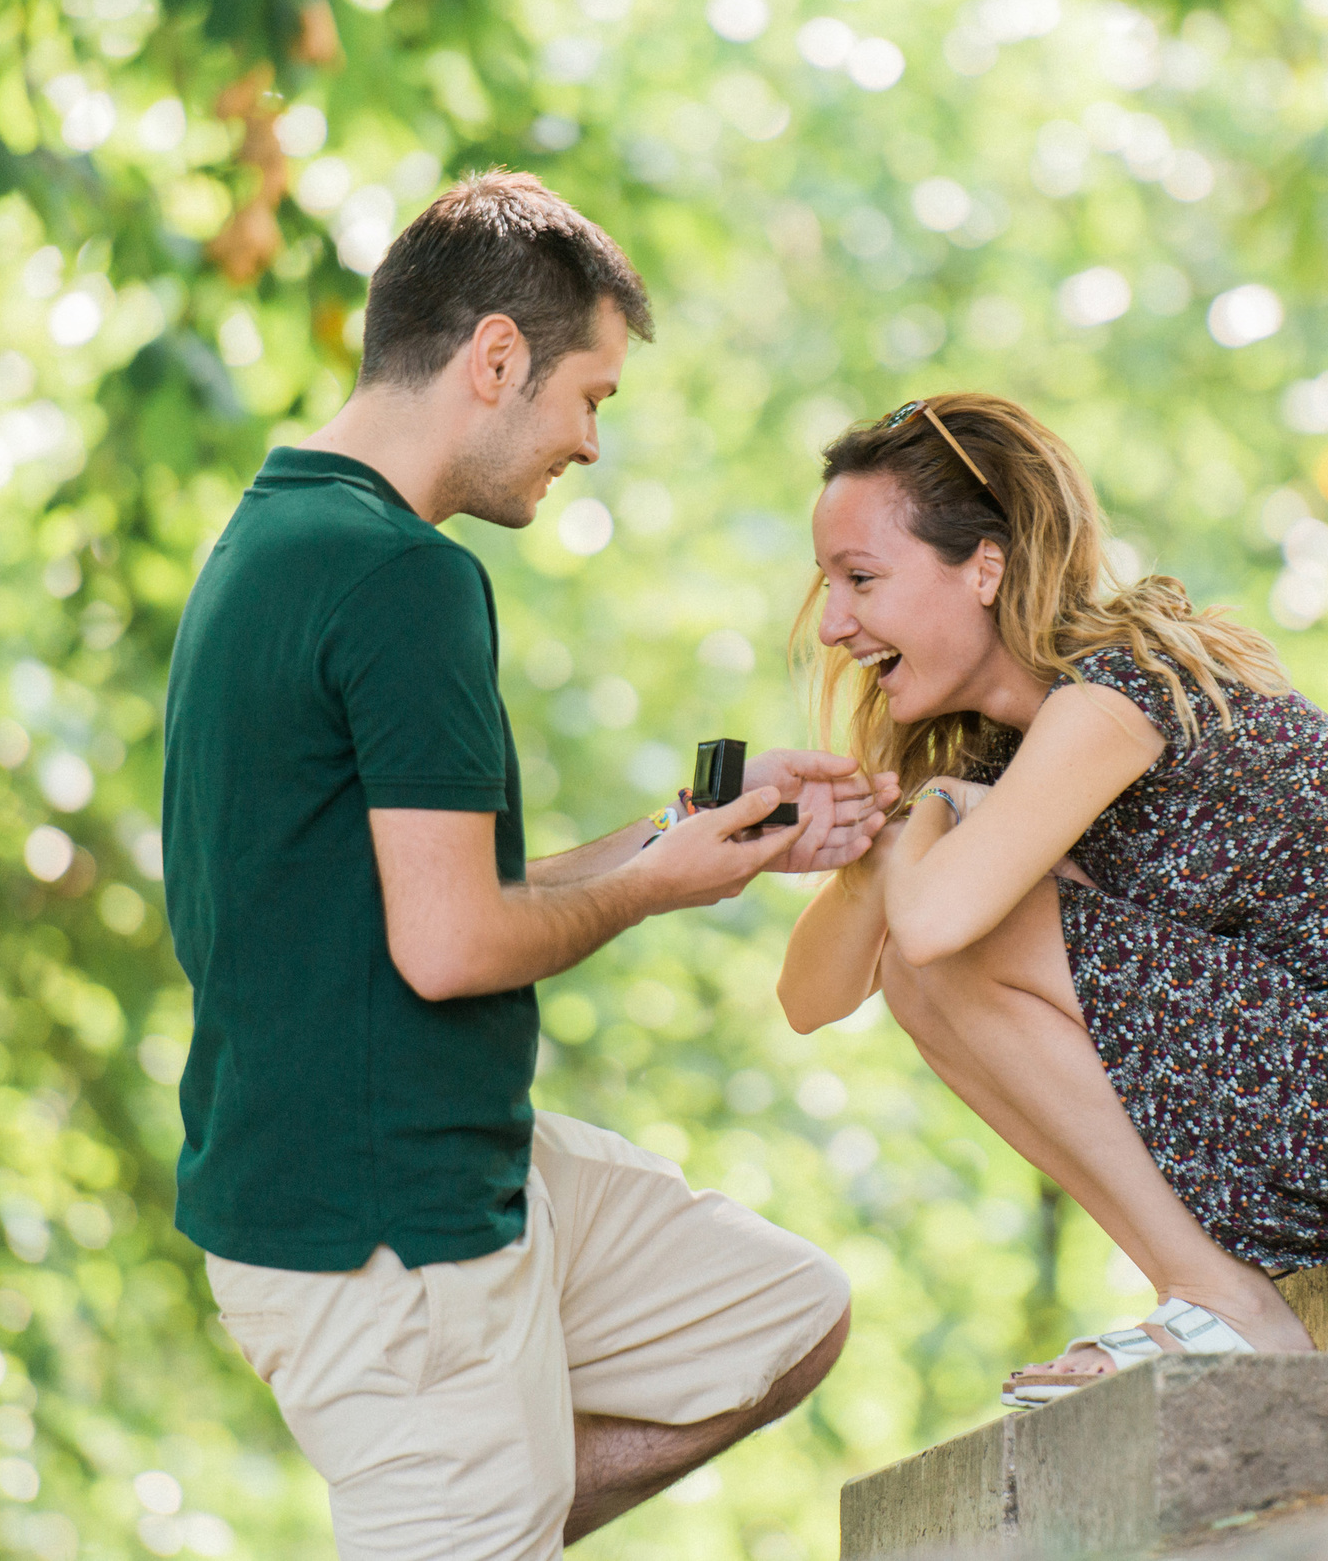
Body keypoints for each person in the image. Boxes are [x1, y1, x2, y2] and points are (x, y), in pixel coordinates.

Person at [160, 171, 893, 1559]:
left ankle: (464, 1513)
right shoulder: (404, 578)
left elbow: (422, 894)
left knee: (778, 1315)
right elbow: (449, 948)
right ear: (497, 356)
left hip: (430, 1162)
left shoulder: (277, 536)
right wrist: (651, 891)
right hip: (391, 1234)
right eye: (591, 397)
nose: (590, 443)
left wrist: (682, 835)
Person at [776, 394, 1328, 1406]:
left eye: (861, 579)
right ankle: (1215, 1296)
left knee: (943, 945)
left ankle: (1222, 1303)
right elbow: (810, 998)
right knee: (921, 969)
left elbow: (938, 925)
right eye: (827, 585)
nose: (831, 624)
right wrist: (879, 835)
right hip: (1293, 1097)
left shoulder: (1115, 692)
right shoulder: (1003, 752)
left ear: (982, 567)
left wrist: (934, 809)